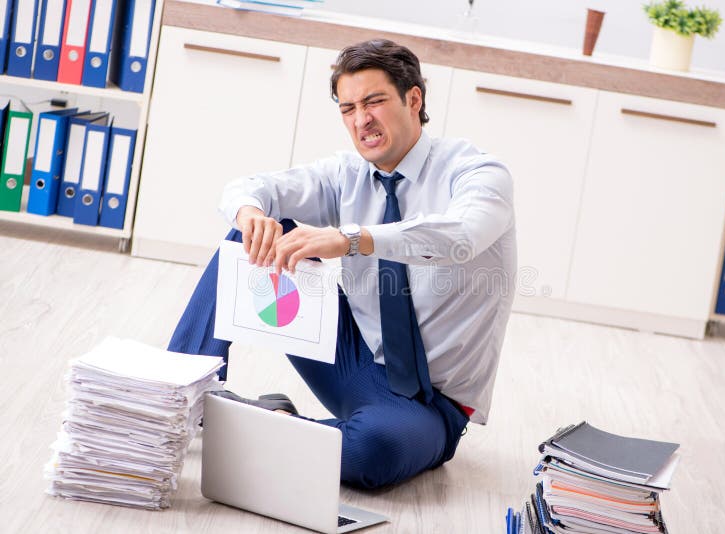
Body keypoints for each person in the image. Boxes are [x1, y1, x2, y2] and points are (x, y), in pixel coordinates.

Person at [169, 39, 517, 489]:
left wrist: (351, 238)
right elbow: (251, 188)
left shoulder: (477, 173)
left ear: (415, 99)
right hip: (353, 358)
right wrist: (250, 213)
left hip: (429, 404)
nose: (361, 120)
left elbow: (463, 235)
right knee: (256, 232)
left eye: (374, 102)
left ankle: (260, 418)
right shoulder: (347, 173)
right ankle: (173, 394)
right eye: (348, 108)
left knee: (371, 452)